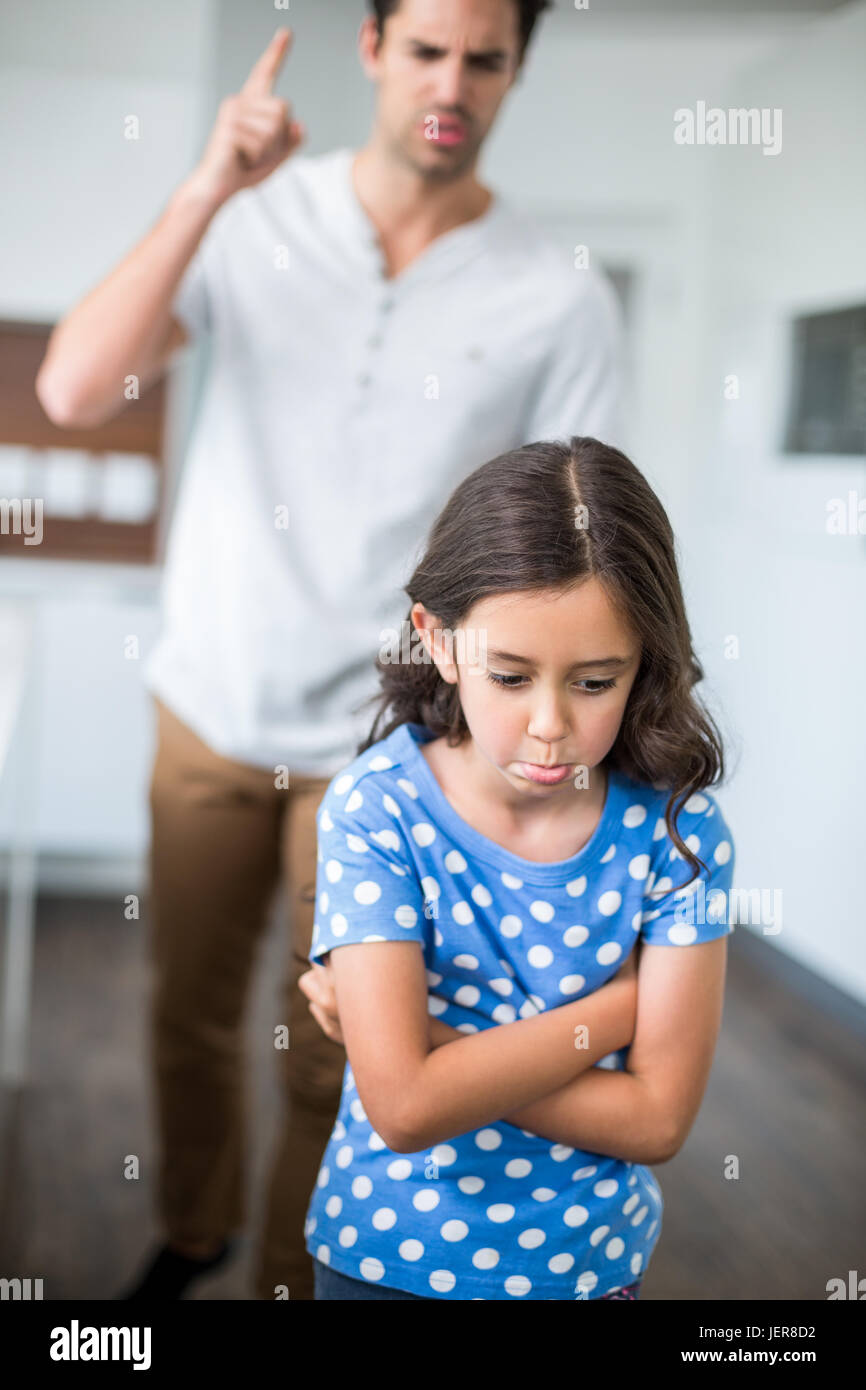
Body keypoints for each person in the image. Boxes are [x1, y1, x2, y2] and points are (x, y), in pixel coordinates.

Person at [36, 1, 625, 1302]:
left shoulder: (554, 293)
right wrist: (206, 182)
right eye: (425, 49)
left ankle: (291, 1284)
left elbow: (577, 552)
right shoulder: (251, 218)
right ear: (370, 50)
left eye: (485, 58)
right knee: (187, 1011)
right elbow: (73, 390)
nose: (451, 83)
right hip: (209, 699)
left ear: (518, 70)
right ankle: (192, 1231)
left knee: (349, 1045)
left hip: (396, 746)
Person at [298, 435, 735, 1300]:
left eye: (594, 682)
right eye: (510, 675)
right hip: (386, 1261)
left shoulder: (680, 832)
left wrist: (430, 1052)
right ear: (440, 641)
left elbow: (657, 1121)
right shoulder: (375, 808)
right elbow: (407, 1112)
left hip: (589, 1269)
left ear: (644, 658)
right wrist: (624, 1007)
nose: (549, 725)